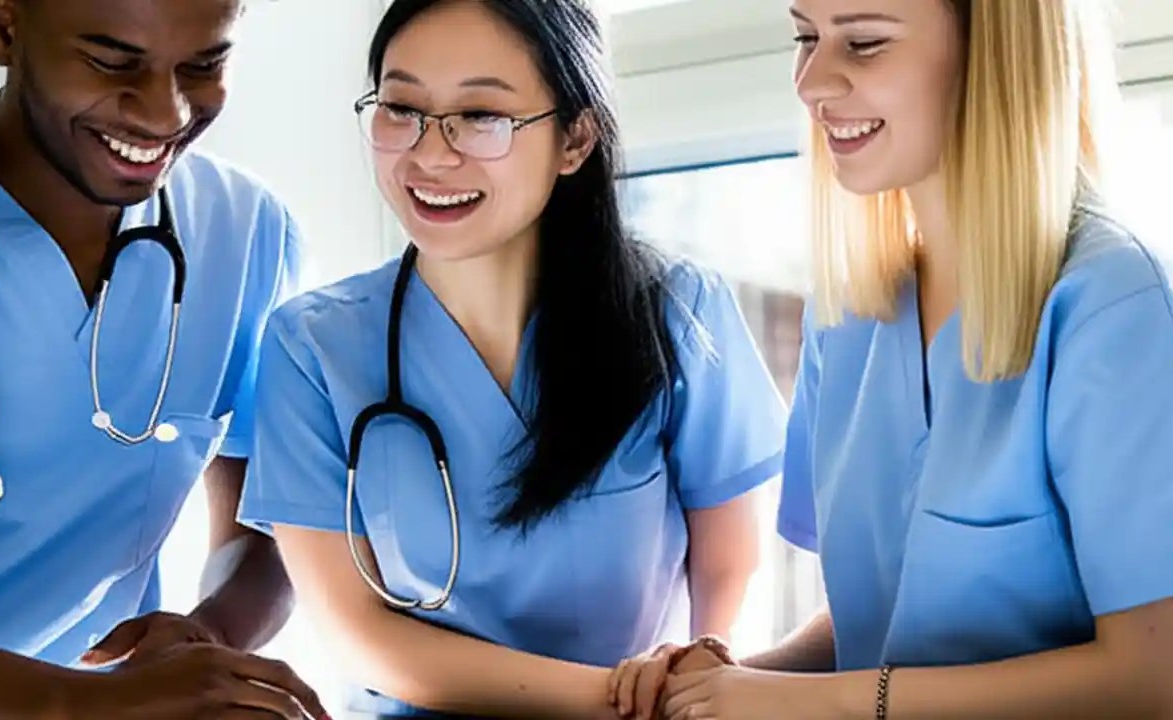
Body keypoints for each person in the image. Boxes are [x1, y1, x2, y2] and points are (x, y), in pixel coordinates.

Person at [608, 0, 1173, 718]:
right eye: (805, 37)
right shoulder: (849, 317)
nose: (812, 81)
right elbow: (880, 626)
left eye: (865, 43)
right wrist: (719, 686)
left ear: (993, 56)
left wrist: (810, 703)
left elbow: (1150, 680)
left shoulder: (1113, 307)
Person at [235, 0, 789, 716]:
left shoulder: (677, 311)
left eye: (481, 117)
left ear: (575, 138)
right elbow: (356, 633)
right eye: (402, 108)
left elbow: (727, 562)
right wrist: (626, 701)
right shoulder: (313, 348)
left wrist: (704, 676)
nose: (431, 154)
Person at [0, 1, 327, 718]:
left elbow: (268, 520)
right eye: (113, 61)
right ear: (3, 25)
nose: (164, 113)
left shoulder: (248, 232)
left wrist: (207, 639)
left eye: (205, 65)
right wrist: (78, 704)